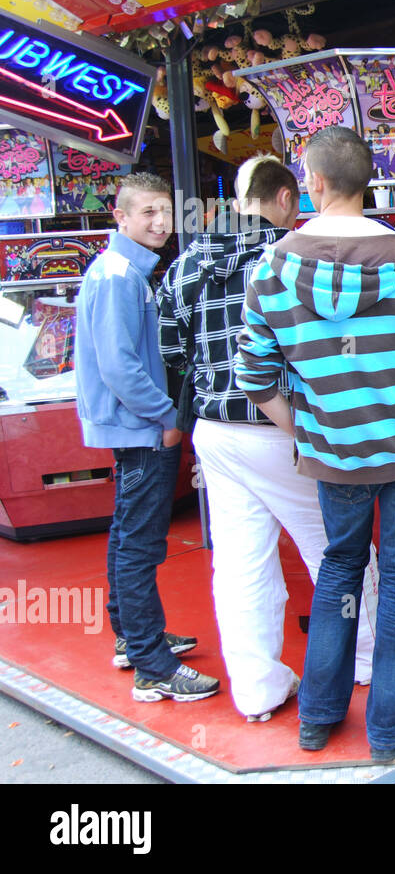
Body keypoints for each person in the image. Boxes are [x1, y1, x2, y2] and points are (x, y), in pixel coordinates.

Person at [237, 127, 395, 762]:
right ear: (366, 180)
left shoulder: (272, 268)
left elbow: (254, 376)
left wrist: (305, 432)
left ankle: (317, 717)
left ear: (312, 183)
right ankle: (389, 730)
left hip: (331, 454)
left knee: (340, 572)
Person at [158, 156, 379, 724]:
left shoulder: (187, 265)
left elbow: (170, 355)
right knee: (338, 550)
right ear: (286, 197)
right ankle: (366, 659)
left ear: (239, 200)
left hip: (216, 434)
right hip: (284, 430)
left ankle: (256, 689)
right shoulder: (293, 258)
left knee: (239, 565)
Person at [74, 172, 219, 703]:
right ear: (121, 216)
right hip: (142, 427)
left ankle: (134, 640)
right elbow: (120, 366)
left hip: (137, 424)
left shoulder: (124, 270)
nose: (160, 223)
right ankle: (153, 667)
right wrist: (167, 419)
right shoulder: (117, 276)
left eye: (166, 211)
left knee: (126, 533)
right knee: (140, 542)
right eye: (148, 213)